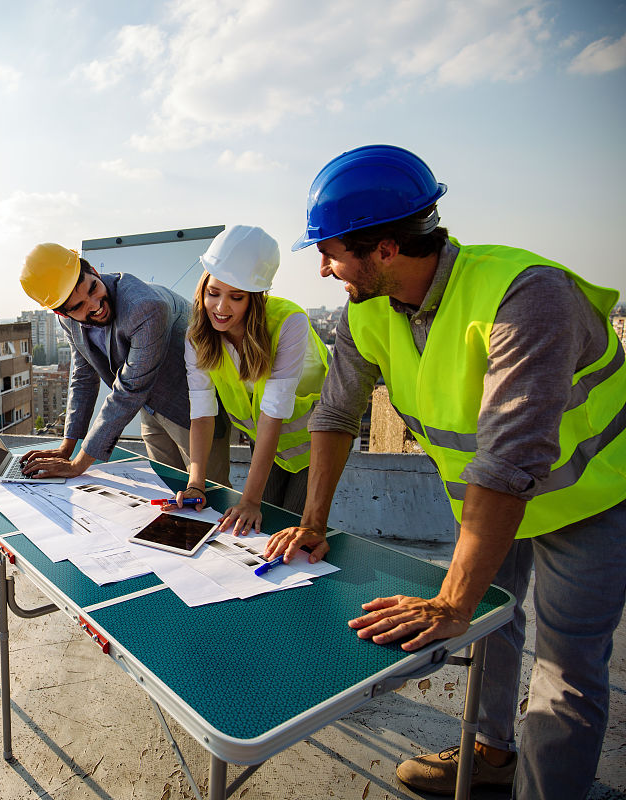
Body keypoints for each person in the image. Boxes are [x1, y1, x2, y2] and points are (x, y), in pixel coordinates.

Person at [265, 144, 626, 799]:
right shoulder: (366, 311)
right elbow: (336, 414)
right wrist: (312, 523)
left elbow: (508, 463)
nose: (321, 268)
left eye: (330, 251)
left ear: (384, 249)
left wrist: (452, 601)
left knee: (566, 668)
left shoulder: (525, 295)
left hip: (593, 498)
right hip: (490, 504)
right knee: (495, 629)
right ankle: (490, 755)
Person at [17, 242, 231, 486]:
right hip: (150, 406)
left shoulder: (146, 307)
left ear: (95, 272)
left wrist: (78, 465)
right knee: (170, 490)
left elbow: (128, 390)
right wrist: (67, 447)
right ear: (62, 314)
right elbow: (83, 378)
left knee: (210, 492)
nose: (94, 305)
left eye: (92, 289)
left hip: (192, 405)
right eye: (78, 307)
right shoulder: (70, 323)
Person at [166, 225, 328, 534]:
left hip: (315, 441)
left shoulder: (289, 323)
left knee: (289, 527)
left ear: (255, 297)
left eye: (236, 297)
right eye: (213, 293)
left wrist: (250, 500)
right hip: (265, 441)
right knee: (258, 527)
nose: (221, 308)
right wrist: (196, 484)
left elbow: (272, 414)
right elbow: (201, 414)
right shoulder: (198, 337)